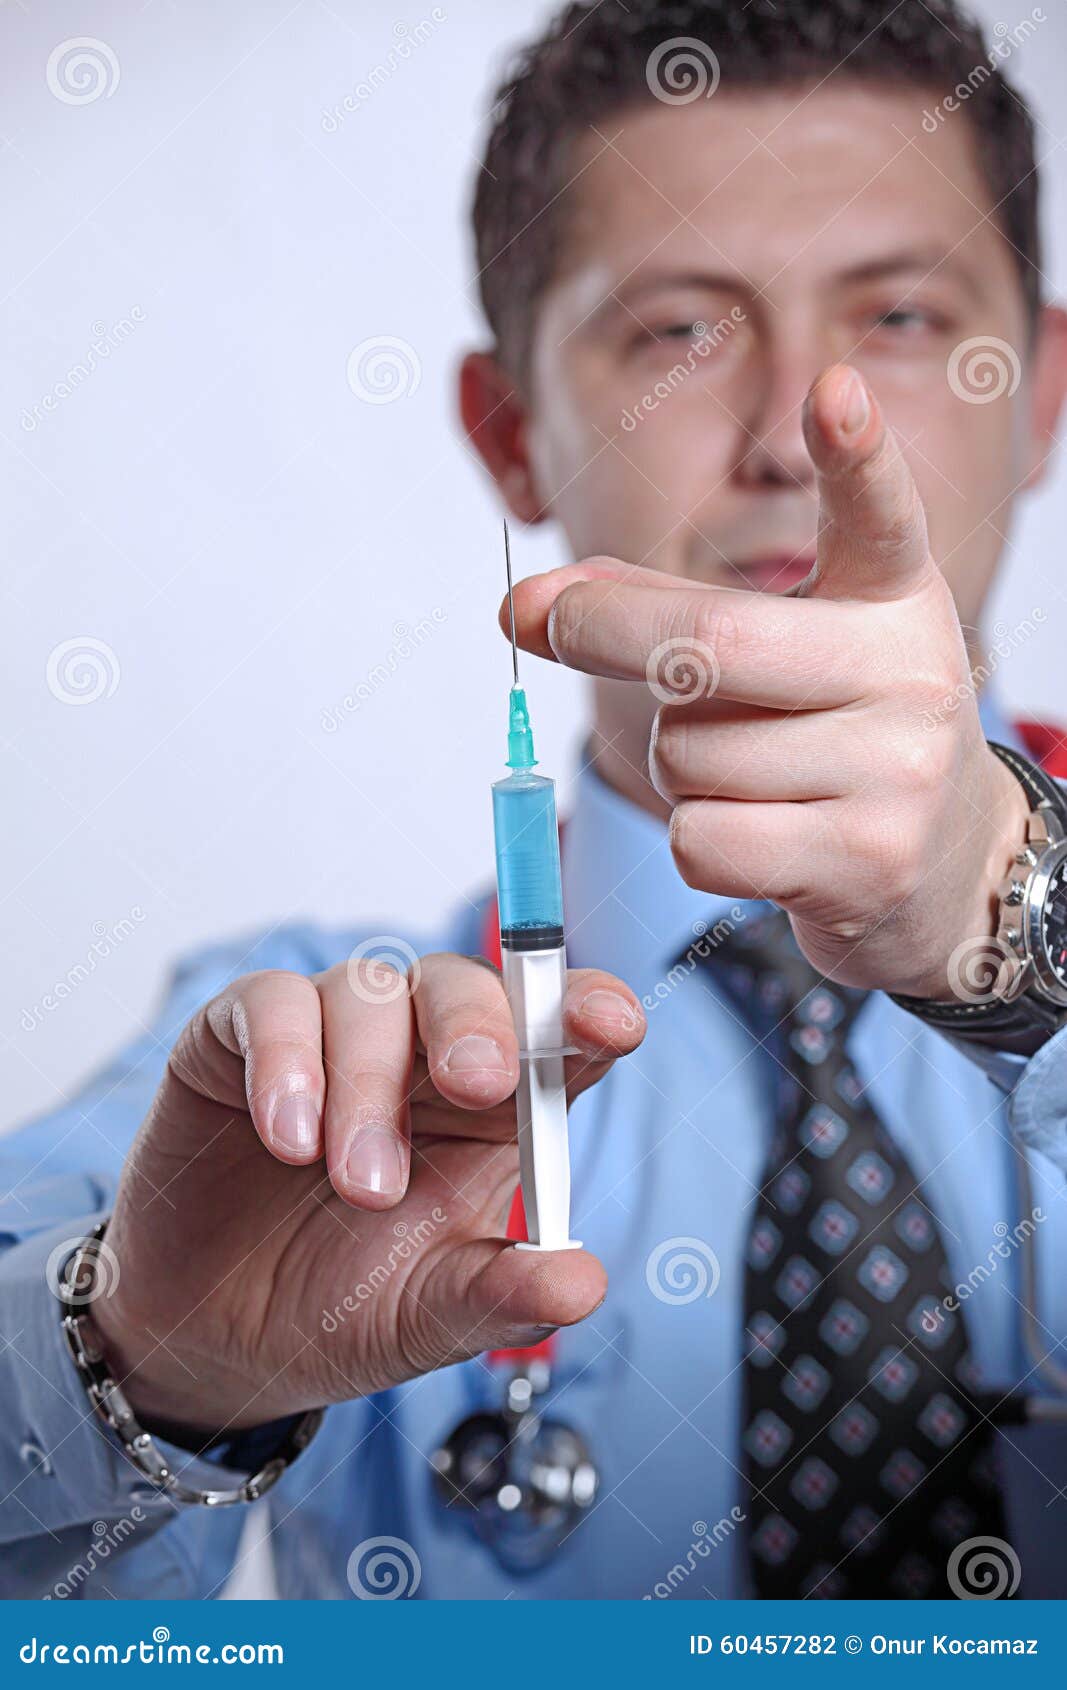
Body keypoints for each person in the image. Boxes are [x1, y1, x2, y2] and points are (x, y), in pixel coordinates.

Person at [3, 0, 1067, 1601]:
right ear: (512, 433)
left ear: (1044, 386)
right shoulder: (301, 1092)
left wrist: (1028, 929)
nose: (792, 429)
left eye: (904, 317)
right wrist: (131, 1364)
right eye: (677, 330)